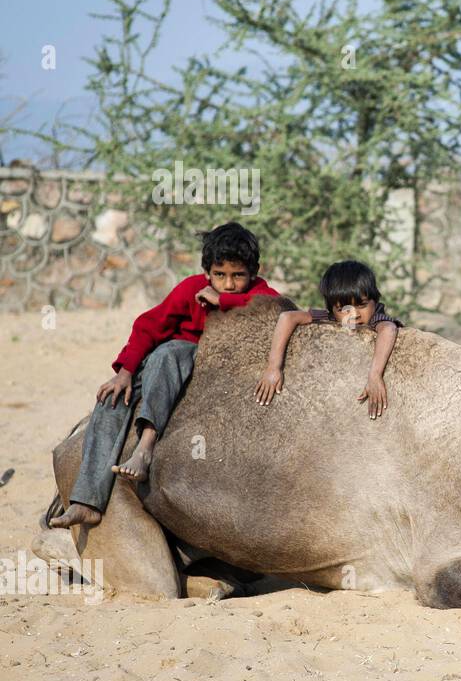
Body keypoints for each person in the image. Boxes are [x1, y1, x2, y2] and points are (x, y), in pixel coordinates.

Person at [50, 222, 278, 528]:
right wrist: (126, 371)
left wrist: (223, 302)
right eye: (220, 275)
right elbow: (149, 325)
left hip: (207, 358)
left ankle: (145, 446)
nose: (228, 284)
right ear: (207, 272)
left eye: (238, 276)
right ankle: (87, 500)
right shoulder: (190, 288)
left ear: (253, 273)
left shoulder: (258, 293)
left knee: (168, 353)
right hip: (168, 361)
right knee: (112, 399)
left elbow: (274, 308)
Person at [255, 260, 403, 419]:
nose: (354, 315)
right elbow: (287, 317)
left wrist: (375, 375)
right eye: (343, 309)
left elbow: (388, 329)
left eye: (361, 305)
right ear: (332, 309)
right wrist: (273, 367)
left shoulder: (375, 319)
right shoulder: (331, 317)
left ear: (375, 301)